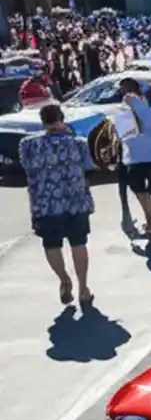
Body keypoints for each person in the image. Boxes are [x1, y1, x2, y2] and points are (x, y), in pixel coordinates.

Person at [19, 104, 95, 305]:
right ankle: (84, 288)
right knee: (79, 243)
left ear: (42, 121)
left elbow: (27, 168)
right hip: (76, 202)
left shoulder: (28, 145)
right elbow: (89, 167)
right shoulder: (78, 143)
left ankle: (64, 279)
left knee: (52, 245)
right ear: (62, 118)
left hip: (46, 204)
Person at [117, 77, 151, 236]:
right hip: (150, 154)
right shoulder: (145, 105)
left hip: (134, 156)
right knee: (144, 192)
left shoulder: (127, 106)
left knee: (139, 191)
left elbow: (123, 133)